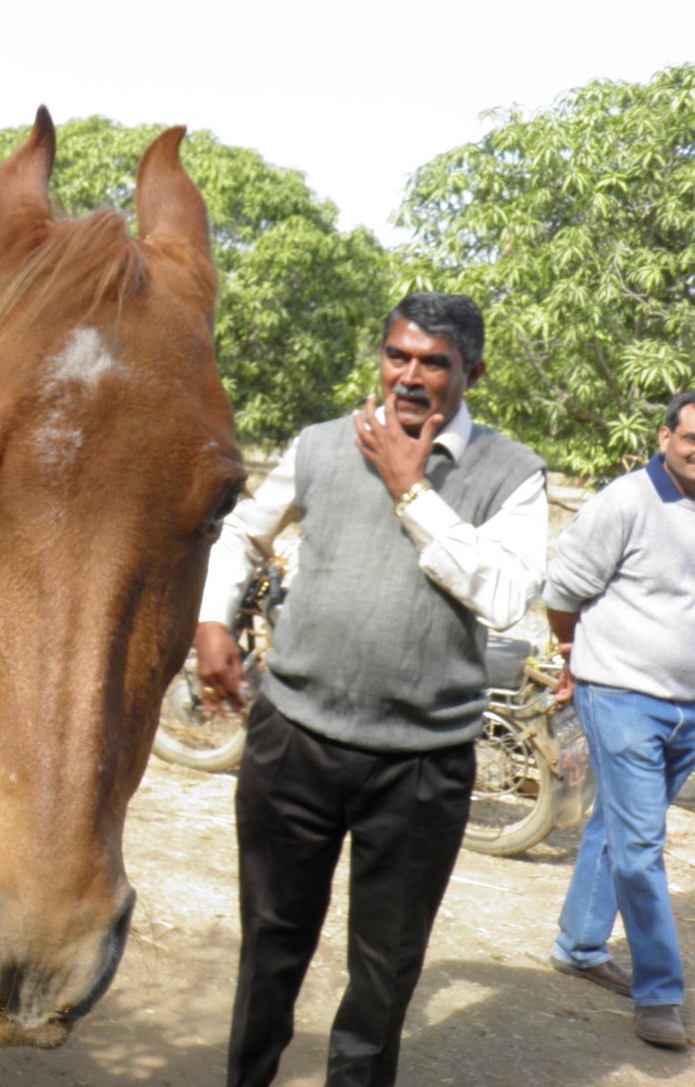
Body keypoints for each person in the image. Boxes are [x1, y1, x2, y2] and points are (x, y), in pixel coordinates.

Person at [194, 291, 548, 1087]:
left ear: (473, 372)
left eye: (435, 362)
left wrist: (412, 491)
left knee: (384, 977)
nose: (410, 376)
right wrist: (213, 621)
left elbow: (503, 595)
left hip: (420, 766)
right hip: (294, 742)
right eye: (398, 356)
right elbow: (245, 532)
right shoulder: (322, 444)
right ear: (381, 356)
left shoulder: (512, 473)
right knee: (270, 947)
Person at [545, 391, 695, 1051]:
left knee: (618, 826)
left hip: (687, 708)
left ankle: (579, 944)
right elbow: (561, 590)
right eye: (693, 437)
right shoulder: (627, 501)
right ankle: (661, 994)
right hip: (621, 694)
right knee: (641, 848)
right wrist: (574, 656)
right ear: (665, 436)